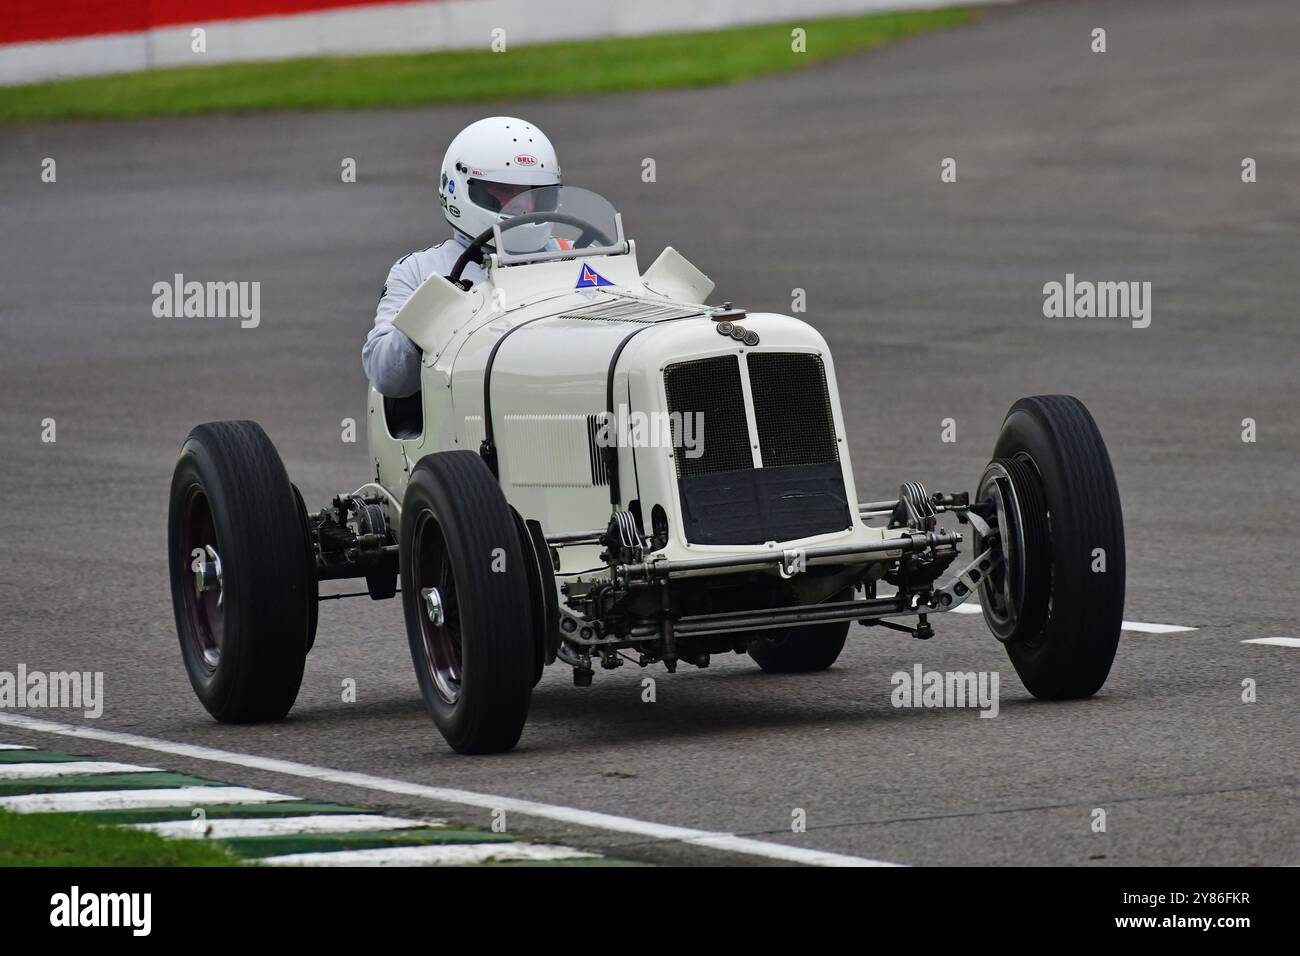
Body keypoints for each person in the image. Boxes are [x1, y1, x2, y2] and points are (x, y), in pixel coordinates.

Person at [362, 116, 561, 397]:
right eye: (506, 191)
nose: (525, 205)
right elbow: (386, 378)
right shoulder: (419, 271)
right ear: (459, 188)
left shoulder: (580, 256)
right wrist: (430, 310)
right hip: (470, 425)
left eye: (534, 192)